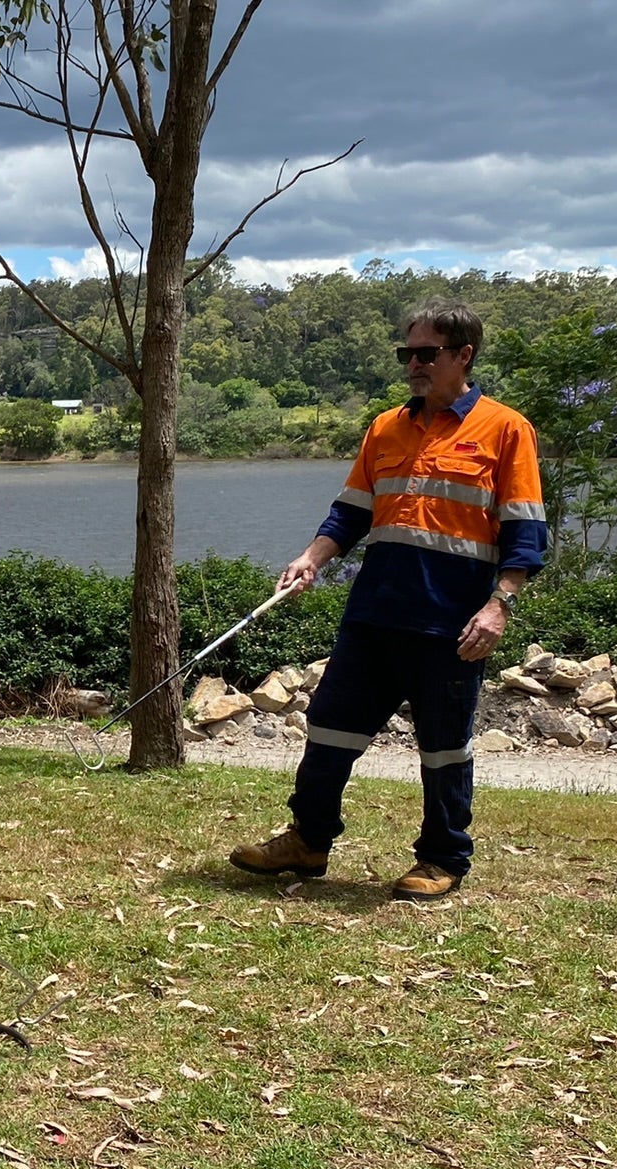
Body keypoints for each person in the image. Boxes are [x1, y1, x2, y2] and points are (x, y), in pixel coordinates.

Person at [229, 299, 547, 901]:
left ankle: (443, 858)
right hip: (373, 613)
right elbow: (350, 513)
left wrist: (499, 604)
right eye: (408, 354)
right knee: (329, 729)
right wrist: (310, 559)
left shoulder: (506, 430)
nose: (413, 365)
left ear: (463, 356)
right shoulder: (385, 427)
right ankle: (309, 840)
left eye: (426, 354)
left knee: (444, 746)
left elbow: (525, 534)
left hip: (451, 624)